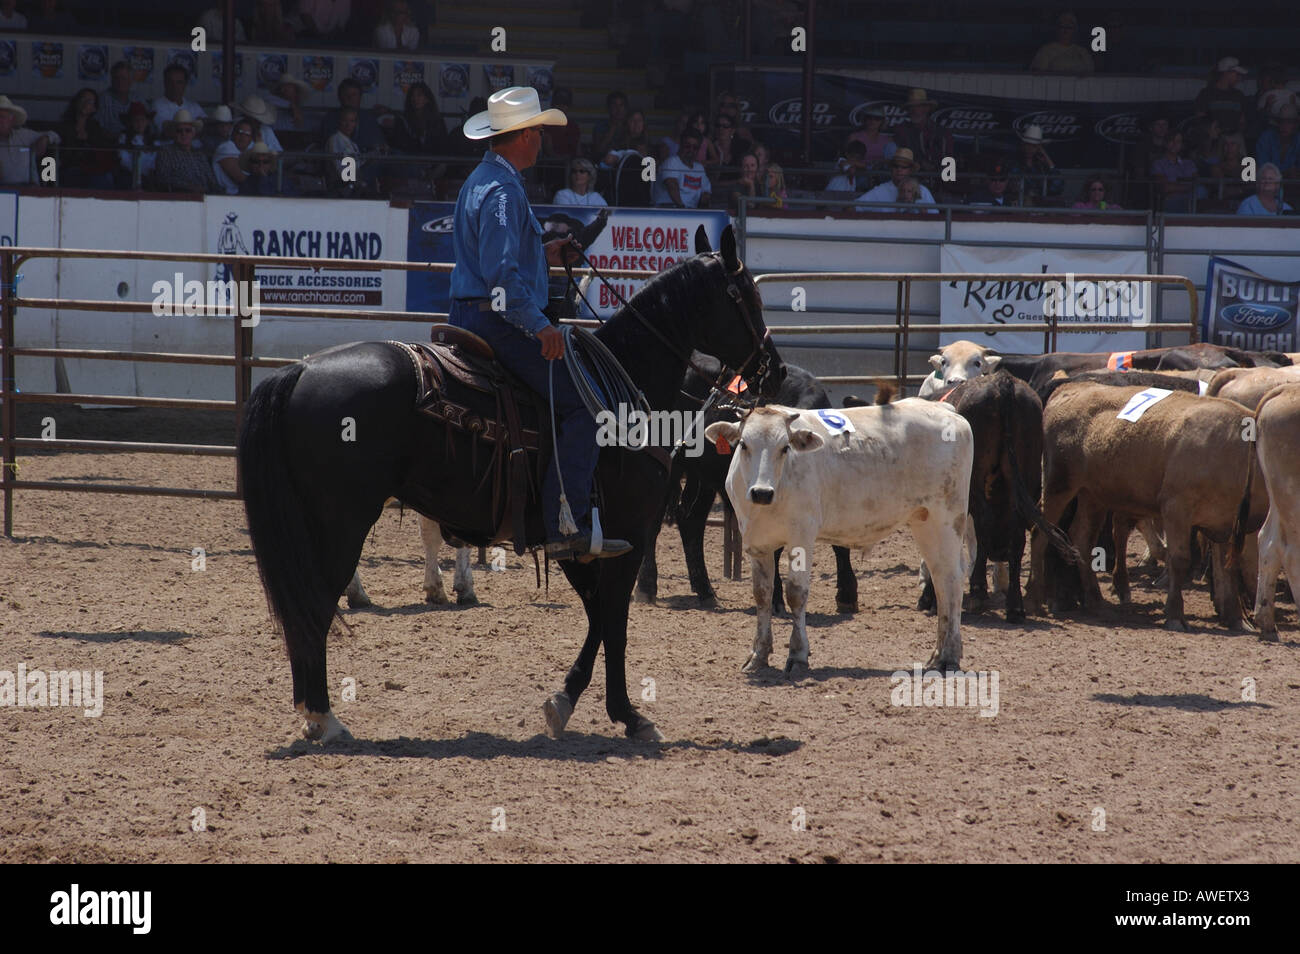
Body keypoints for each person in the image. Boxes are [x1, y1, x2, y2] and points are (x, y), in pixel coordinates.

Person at [449, 86, 631, 561]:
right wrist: (540, 327)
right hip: (497, 322)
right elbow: (501, 278)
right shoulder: (504, 191)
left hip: (471, 312)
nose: (543, 141)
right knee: (587, 406)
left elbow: (499, 260)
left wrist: (544, 253)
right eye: (539, 133)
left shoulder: (483, 180)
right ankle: (565, 523)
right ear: (525, 135)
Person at [57, 88, 116, 189]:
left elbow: (101, 151)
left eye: (90, 101)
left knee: (106, 178)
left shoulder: (95, 128)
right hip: (69, 170)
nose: (85, 103)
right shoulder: (64, 126)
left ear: (94, 108)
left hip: (92, 170)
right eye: (83, 99)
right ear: (76, 102)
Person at [153, 110, 219, 193]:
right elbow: (163, 179)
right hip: (180, 197)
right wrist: (190, 188)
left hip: (205, 197)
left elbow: (212, 181)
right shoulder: (165, 152)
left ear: (193, 133)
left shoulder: (199, 154)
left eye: (187, 130)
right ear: (173, 133)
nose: (183, 134)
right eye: (179, 131)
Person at [892, 89, 952, 173]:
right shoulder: (901, 130)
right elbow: (898, 156)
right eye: (910, 107)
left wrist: (933, 167)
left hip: (937, 177)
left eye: (917, 106)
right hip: (908, 176)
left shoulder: (942, 132)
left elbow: (948, 161)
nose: (913, 110)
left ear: (927, 108)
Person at [854, 148, 935, 210]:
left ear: (910, 170)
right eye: (896, 166)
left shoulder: (923, 191)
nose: (899, 169)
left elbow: (935, 217)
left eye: (904, 167)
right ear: (891, 169)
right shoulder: (880, 191)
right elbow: (853, 207)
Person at [653, 127, 711, 208]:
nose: (691, 150)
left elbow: (706, 193)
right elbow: (672, 187)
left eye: (695, 147)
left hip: (690, 211)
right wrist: (682, 209)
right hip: (669, 209)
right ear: (680, 144)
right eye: (687, 146)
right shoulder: (672, 162)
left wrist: (704, 202)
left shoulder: (699, 168)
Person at [1194, 57, 1251, 137]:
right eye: (1237, 74)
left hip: (1235, 139)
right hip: (1214, 139)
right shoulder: (1206, 94)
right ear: (1226, 73)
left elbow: (1242, 121)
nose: (1239, 78)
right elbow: (1200, 120)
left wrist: (1237, 133)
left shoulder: (1239, 95)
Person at [0, 96, 51, 185]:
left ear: (12, 120)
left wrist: (44, 139)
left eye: (2, 117)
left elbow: (54, 135)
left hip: (28, 189)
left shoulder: (25, 135)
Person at [1150, 130, 1200, 213]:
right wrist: (1187, 187)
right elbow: (1165, 188)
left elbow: (1196, 184)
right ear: (1165, 143)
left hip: (1191, 204)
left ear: (1182, 145)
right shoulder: (1158, 164)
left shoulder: (1189, 163)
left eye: (1178, 141)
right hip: (1169, 205)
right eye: (1171, 140)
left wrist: (1174, 188)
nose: (1174, 144)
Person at [1009, 124, 1062, 201]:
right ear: (1022, 145)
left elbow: (1058, 187)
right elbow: (1015, 188)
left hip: (1040, 203)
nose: (1029, 149)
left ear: (1039, 148)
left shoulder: (1042, 166)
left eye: (1034, 146)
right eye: (1027, 145)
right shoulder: (1014, 164)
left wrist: (1048, 160)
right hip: (1021, 202)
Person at [1030, 11, 1094, 74]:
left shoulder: (1083, 52)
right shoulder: (1046, 50)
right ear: (1057, 29)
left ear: (1075, 30)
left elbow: (1091, 74)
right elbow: (1037, 74)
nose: (1065, 30)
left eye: (1069, 28)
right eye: (1062, 27)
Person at [116, 102, 158, 187]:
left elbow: (153, 162)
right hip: (129, 177)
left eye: (142, 120)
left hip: (149, 178)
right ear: (131, 122)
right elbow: (124, 160)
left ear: (147, 121)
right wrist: (138, 174)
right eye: (136, 120)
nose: (139, 123)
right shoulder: (123, 138)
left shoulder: (154, 141)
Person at [152, 64, 206, 131]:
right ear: (164, 83)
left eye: (179, 82)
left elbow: (208, 124)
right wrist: (196, 123)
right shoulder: (157, 106)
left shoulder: (194, 107)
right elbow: (166, 127)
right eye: (170, 82)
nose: (174, 86)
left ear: (185, 84)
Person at [213, 117, 255, 195]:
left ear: (251, 139)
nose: (243, 137)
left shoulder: (249, 149)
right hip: (226, 196)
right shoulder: (226, 147)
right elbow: (241, 178)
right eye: (240, 132)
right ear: (233, 134)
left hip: (243, 195)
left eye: (247, 134)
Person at [1256, 105, 1300, 180]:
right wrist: (1286, 173)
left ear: (1296, 125)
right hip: (1267, 184)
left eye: (1289, 122)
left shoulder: (1298, 141)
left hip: (1292, 185)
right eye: (1281, 121)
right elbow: (1262, 170)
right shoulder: (1266, 138)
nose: (1284, 126)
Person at [325, 107, 362, 192]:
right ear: (339, 122)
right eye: (345, 120)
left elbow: (358, 165)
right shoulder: (335, 139)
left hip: (354, 185)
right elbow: (340, 171)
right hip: (341, 188)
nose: (348, 125)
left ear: (355, 124)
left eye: (352, 121)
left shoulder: (354, 144)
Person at [97, 61, 135, 137]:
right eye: (116, 78)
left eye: (123, 78)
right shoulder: (102, 99)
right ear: (111, 80)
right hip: (109, 141)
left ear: (130, 81)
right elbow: (96, 128)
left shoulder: (137, 98)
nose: (120, 81)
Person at [543, 87, 581, 160]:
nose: (561, 106)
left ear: (569, 106)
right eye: (558, 103)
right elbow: (548, 151)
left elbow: (578, 151)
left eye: (564, 103)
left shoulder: (574, 127)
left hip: (571, 163)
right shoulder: (546, 126)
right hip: (551, 164)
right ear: (553, 105)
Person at [591, 91, 629, 162]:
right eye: (614, 105)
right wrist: (612, 129)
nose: (618, 109)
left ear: (625, 108)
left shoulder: (630, 125)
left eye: (621, 105)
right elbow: (598, 151)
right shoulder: (600, 127)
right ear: (608, 108)